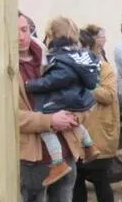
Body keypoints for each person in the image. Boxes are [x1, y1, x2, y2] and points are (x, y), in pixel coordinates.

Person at [0, 13, 85, 202]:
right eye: (14, 31)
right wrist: (48, 121)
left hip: (66, 145)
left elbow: (82, 93)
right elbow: (4, 115)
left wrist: (76, 115)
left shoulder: (52, 57)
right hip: (32, 153)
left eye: (24, 29)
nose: (21, 36)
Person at [26, 17, 101, 186]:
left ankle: (58, 162)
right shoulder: (83, 56)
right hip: (78, 99)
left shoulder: (61, 58)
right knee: (73, 120)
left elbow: (55, 79)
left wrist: (32, 85)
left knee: (47, 127)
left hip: (62, 98)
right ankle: (89, 145)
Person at [72, 25, 120, 202]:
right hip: (76, 129)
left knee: (100, 176)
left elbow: (108, 95)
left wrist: (88, 83)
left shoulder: (105, 68)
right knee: (77, 176)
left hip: (99, 130)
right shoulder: (69, 68)